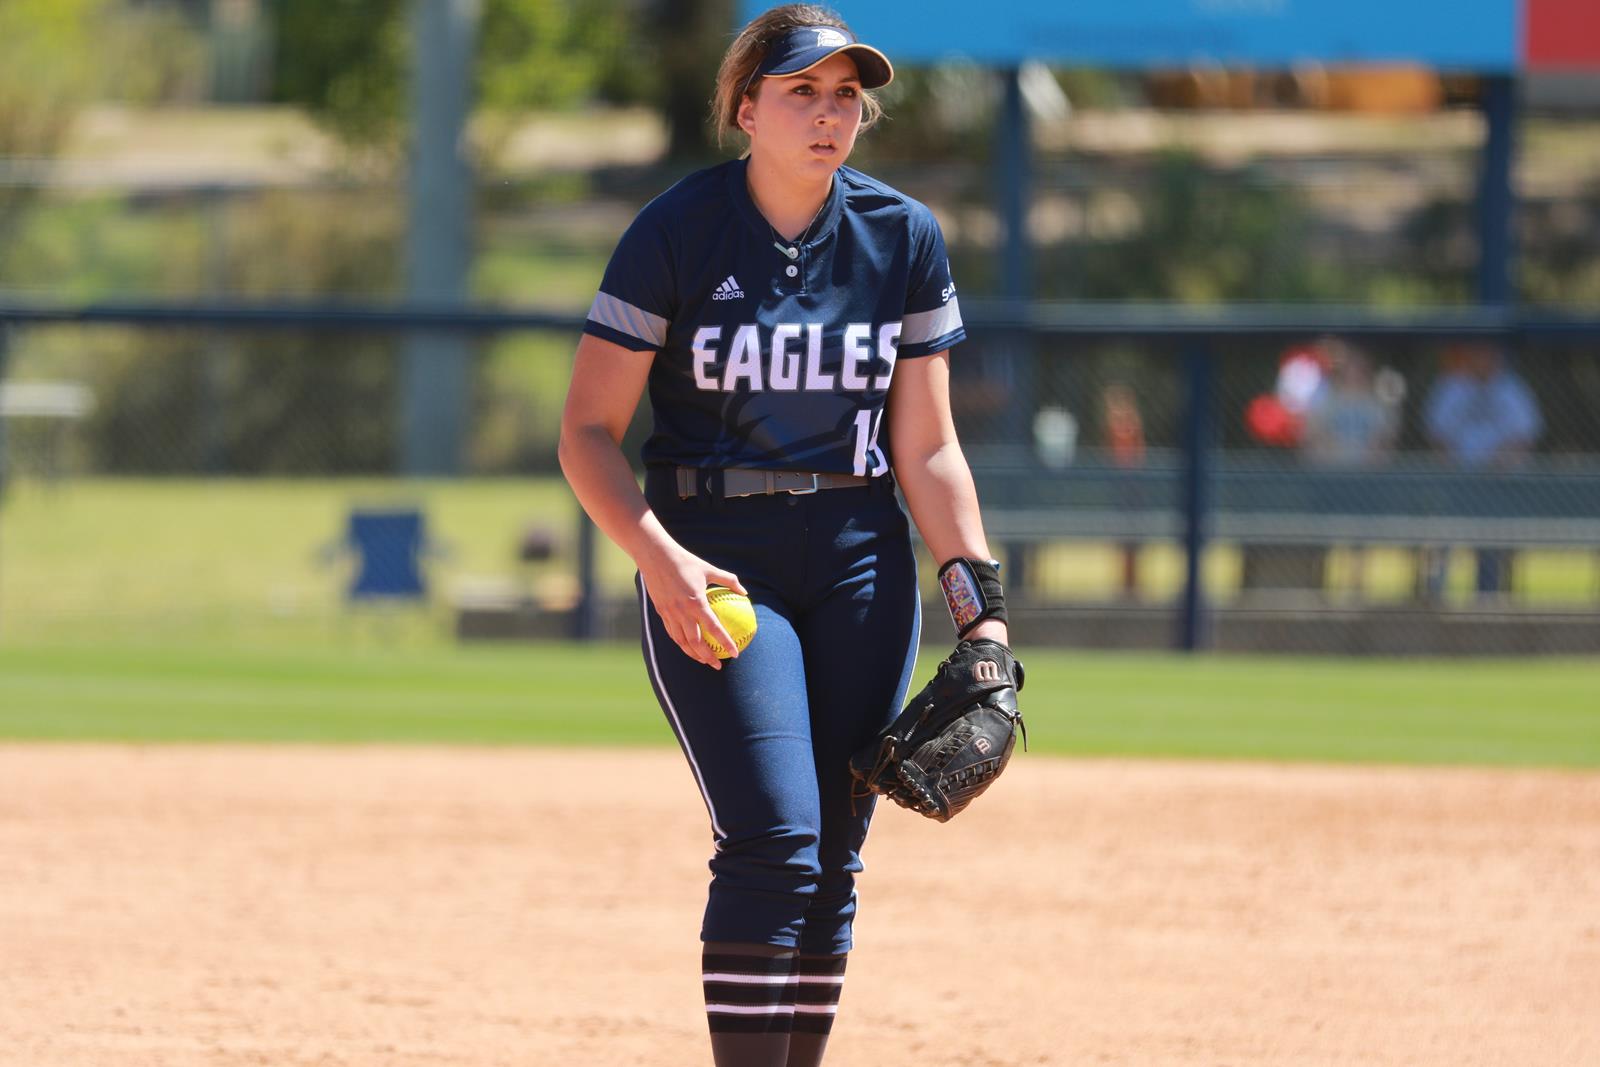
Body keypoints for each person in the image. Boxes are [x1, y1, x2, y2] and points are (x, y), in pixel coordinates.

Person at [557, 8, 1015, 1066]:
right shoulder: (678, 230)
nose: (828, 113)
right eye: (802, 91)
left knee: (836, 855)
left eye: (846, 94)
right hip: (713, 555)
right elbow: (586, 432)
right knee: (772, 834)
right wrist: (659, 559)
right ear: (745, 105)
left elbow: (930, 450)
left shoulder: (899, 236)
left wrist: (978, 614)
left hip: (857, 552)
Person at [1421, 341, 1543, 598]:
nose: (1482, 359)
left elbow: (1524, 438)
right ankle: (1435, 595)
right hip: (1457, 482)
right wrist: (1457, 468)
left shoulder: (1512, 389)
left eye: (1488, 353)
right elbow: (1437, 437)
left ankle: (1486, 596)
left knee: (1491, 531)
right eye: (1477, 352)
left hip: (1498, 484)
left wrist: (1497, 464)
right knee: (1443, 529)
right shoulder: (1452, 386)